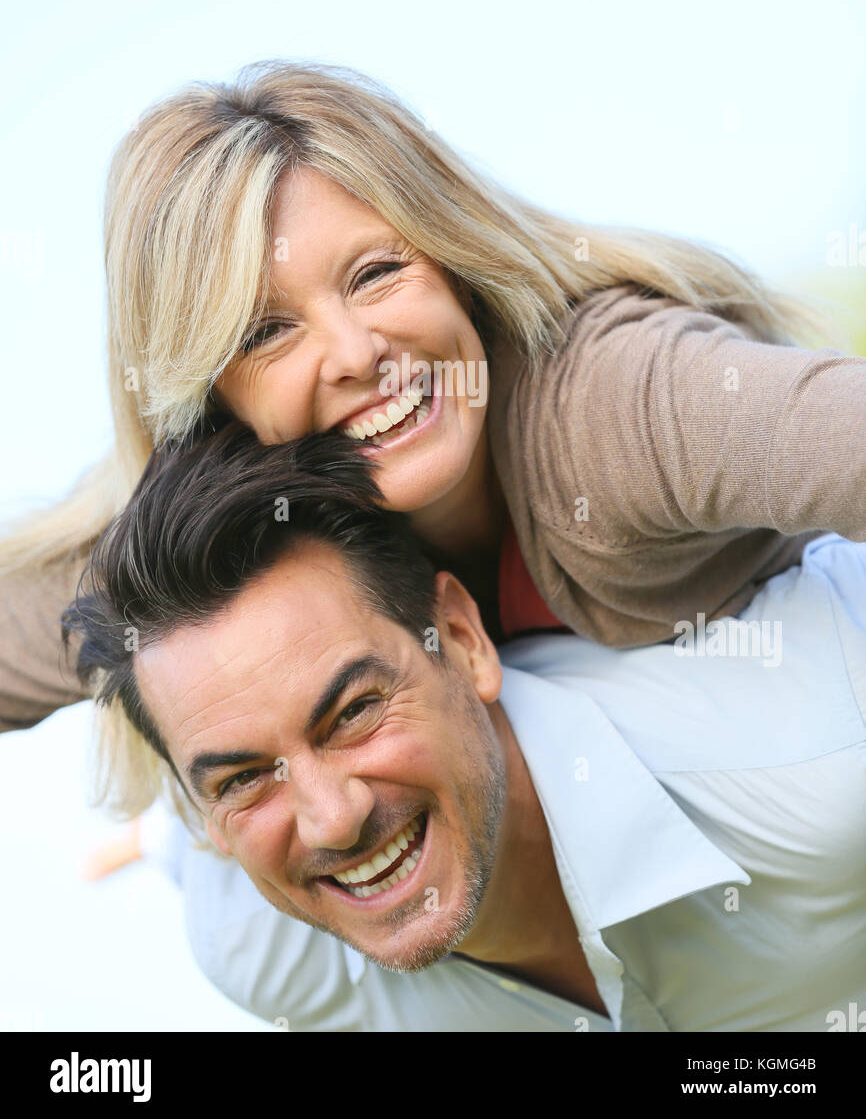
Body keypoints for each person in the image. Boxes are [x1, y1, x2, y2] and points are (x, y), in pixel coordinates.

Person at [3, 61, 866, 808]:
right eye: (265, 334)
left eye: (376, 273)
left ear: (453, 261)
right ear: (216, 407)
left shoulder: (611, 406)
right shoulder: (225, 538)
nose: (354, 353)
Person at [63, 423, 866, 1032]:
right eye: (242, 777)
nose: (333, 819)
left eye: (353, 713)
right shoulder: (258, 949)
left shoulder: (822, 732)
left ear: (463, 640)